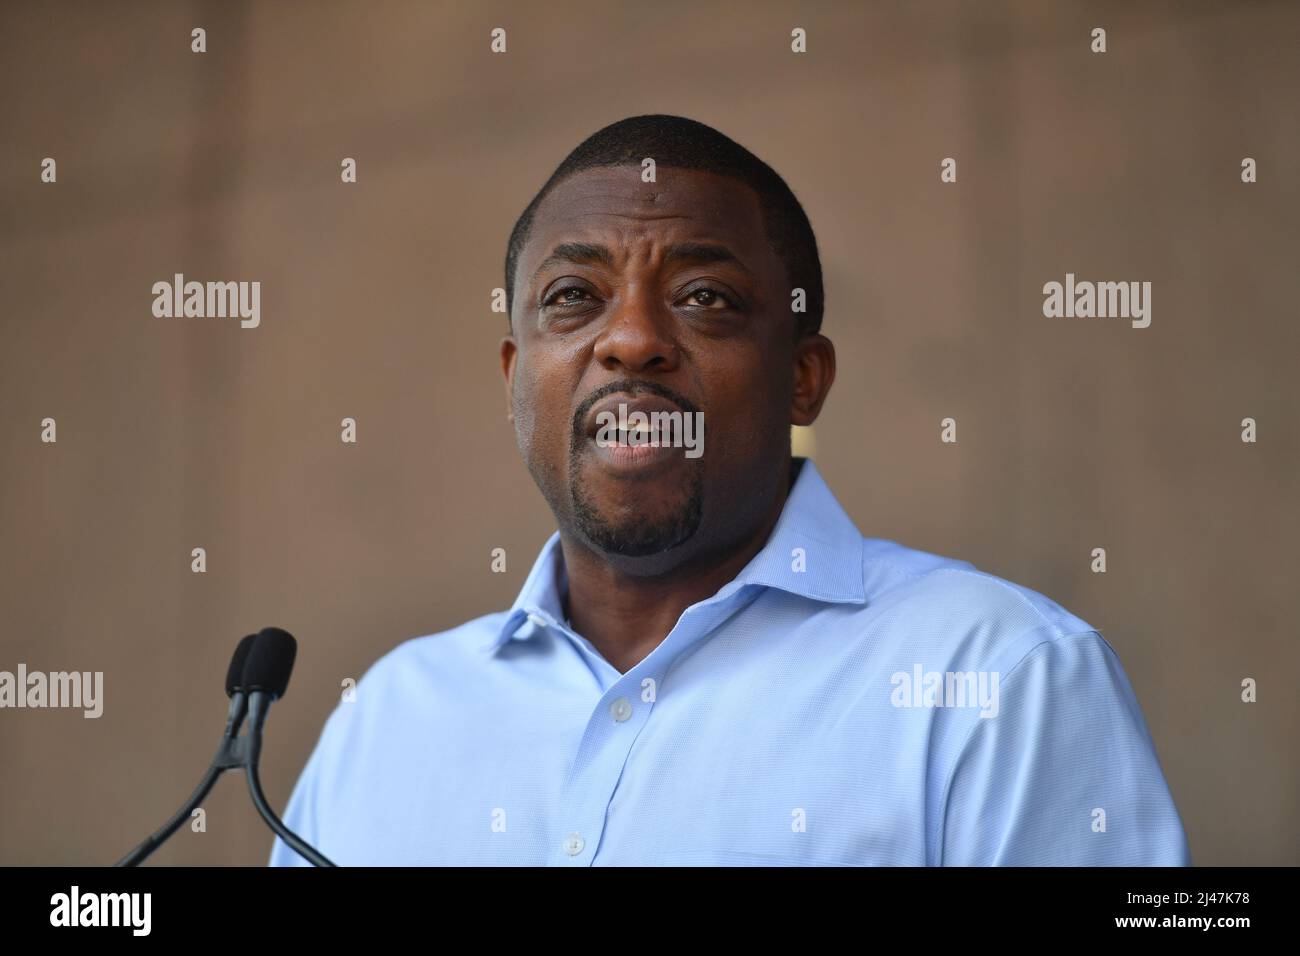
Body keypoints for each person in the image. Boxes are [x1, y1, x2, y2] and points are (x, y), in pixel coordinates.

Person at [270, 114, 1190, 866]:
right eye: (572, 297)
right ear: (516, 377)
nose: (630, 339)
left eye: (705, 296)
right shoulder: (386, 721)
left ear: (803, 377)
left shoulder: (998, 679)